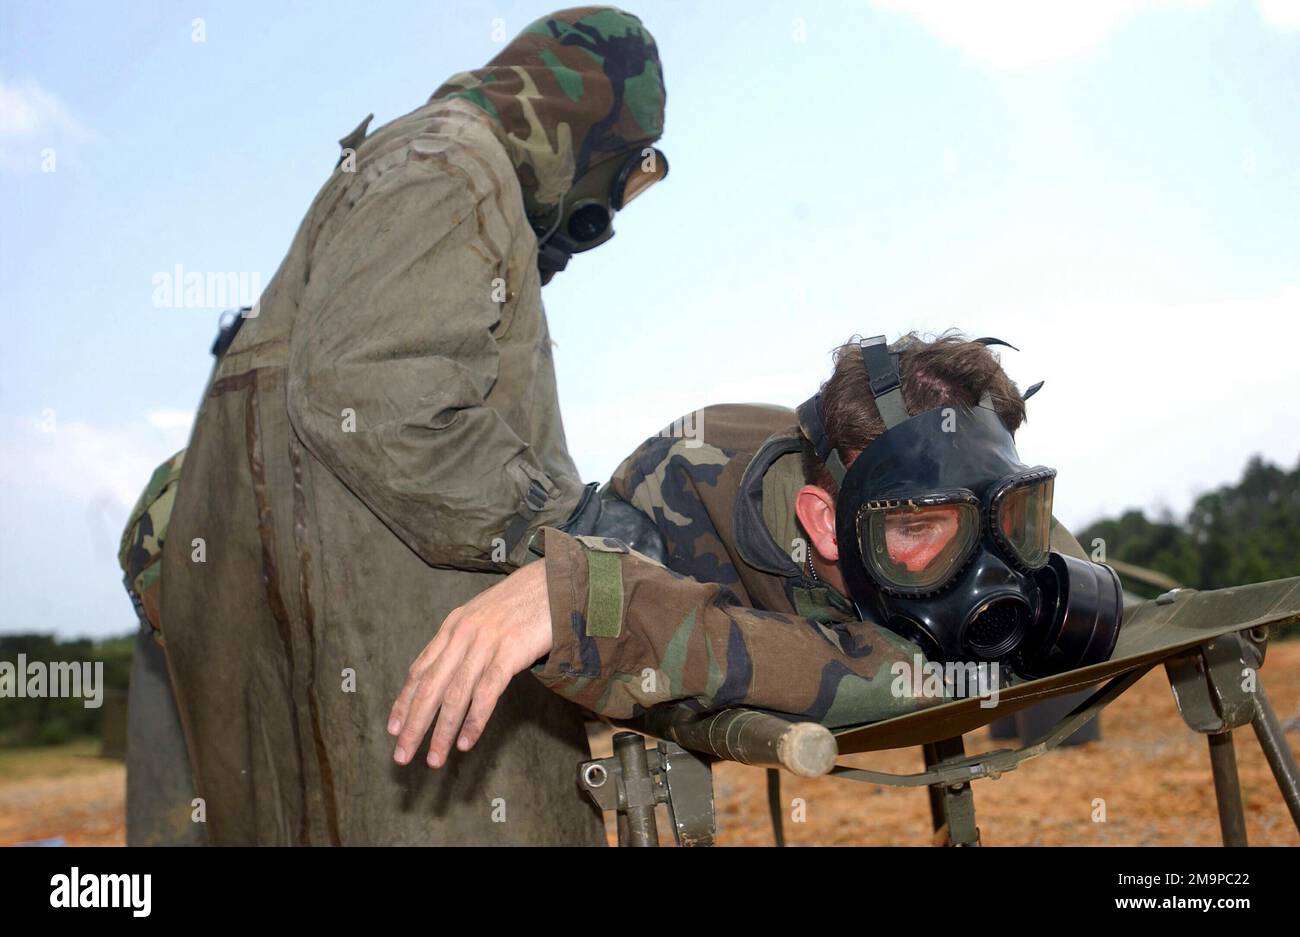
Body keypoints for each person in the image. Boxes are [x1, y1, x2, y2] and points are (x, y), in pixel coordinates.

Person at [152, 6, 669, 845]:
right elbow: (380, 394)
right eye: (618, 172)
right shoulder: (452, 166)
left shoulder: (436, 166)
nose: (605, 208)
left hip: (384, 701)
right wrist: (571, 529)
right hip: (399, 714)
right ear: (586, 127)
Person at [390, 332, 1124, 767]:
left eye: (1004, 515)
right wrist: (581, 590)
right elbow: (664, 640)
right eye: (917, 531)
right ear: (827, 523)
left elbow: (902, 675)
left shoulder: (994, 511)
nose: (983, 573)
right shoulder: (677, 496)